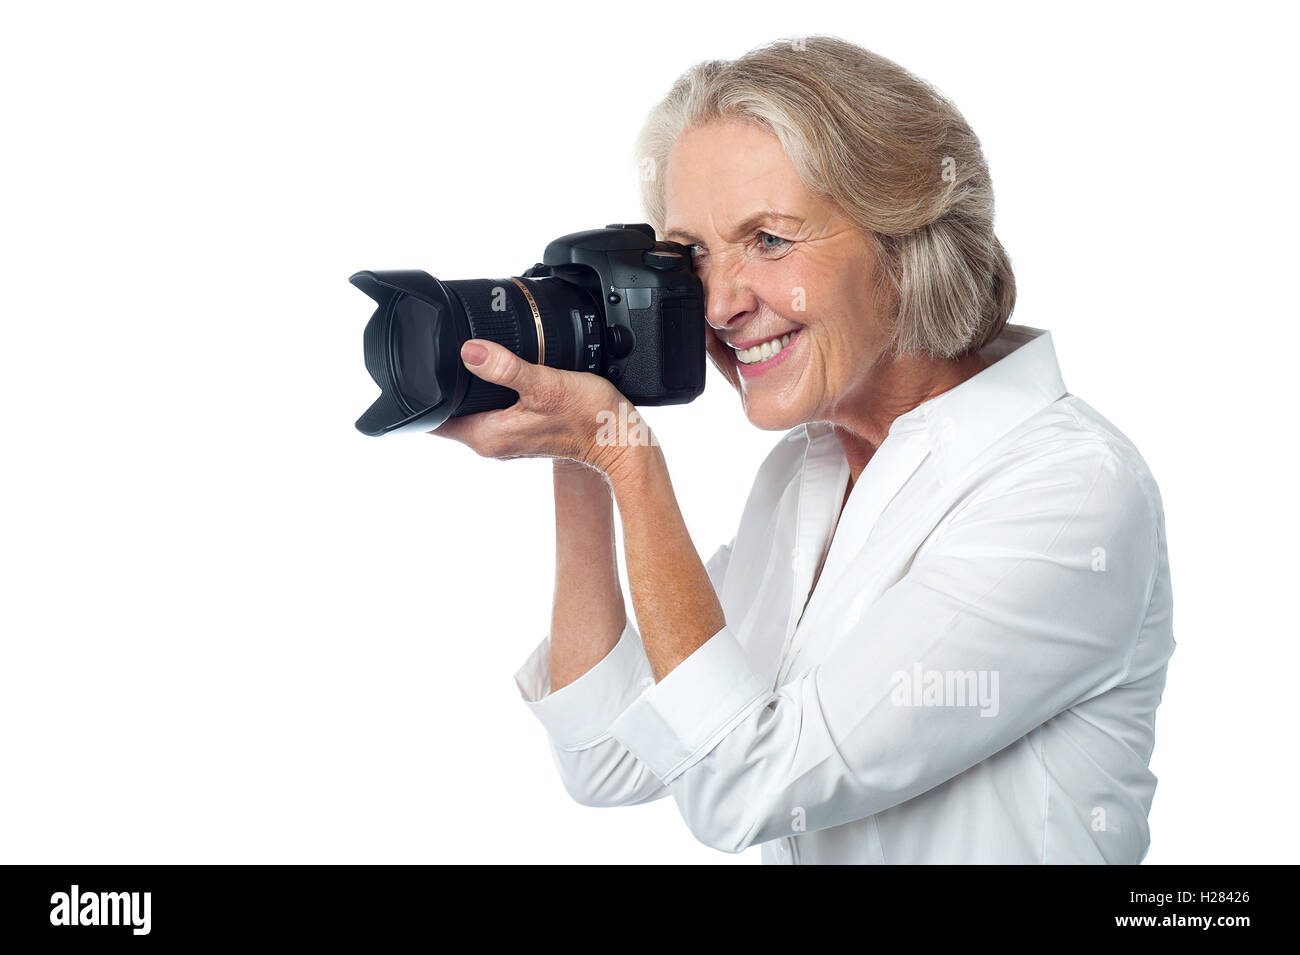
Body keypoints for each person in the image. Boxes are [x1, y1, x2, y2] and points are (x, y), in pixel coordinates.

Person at [429, 35, 1174, 864]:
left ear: (905, 245)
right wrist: (574, 430)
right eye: (695, 255)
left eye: (770, 241)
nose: (717, 302)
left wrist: (627, 459)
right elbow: (605, 753)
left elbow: (743, 784)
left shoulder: (1067, 491)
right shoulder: (807, 470)